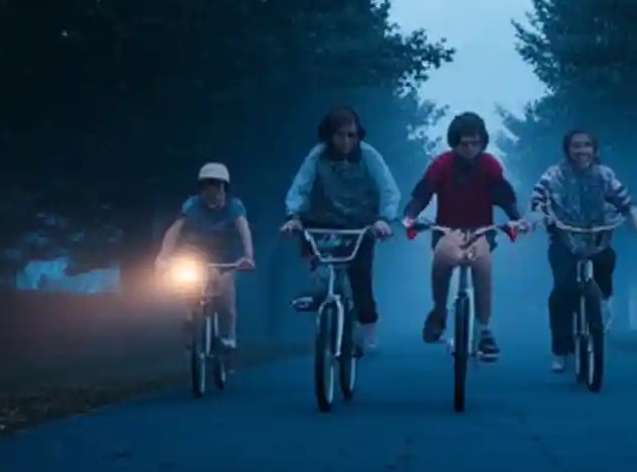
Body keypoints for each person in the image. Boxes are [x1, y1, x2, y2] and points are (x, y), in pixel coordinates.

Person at [401, 111, 529, 362]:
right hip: (447, 230)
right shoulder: (442, 164)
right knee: (441, 261)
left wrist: (517, 219)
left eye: (475, 143)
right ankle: (439, 312)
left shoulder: (489, 165)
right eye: (464, 143)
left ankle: (484, 329)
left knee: (482, 266)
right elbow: (423, 193)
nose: (470, 149)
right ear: (454, 143)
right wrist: (410, 216)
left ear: (482, 143)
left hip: (481, 230)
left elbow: (504, 195)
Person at [280, 106, 400, 352]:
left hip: (360, 226)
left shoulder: (369, 156)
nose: (346, 141)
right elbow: (300, 188)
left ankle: (366, 331)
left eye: (351, 135)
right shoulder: (317, 156)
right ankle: (320, 301)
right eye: (340, 135)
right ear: (329, 135)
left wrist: (384, 219)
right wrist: (293, 216)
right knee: (322, 275)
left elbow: (389, 189)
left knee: (361, 281)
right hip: (324, 224)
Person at [531, 129, 637, 373]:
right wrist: (539, 216)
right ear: (567, 150)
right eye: (576, 146)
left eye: (586, 145)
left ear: (594, 149)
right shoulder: (554, 174)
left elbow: (624, 199)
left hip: (596, 236)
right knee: (562, 290)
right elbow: (538, 199)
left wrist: (634, 216)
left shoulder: (605, 175)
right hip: (564, 237)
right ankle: (560, 350)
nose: (581, 151)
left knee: (608, 259)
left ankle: (603, 301)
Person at [155, 162, 255, 351]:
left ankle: (230, 337)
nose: (211, 192)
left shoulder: (234, 207)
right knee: (187, 283)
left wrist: (248, 256)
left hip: (227, 259)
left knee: (226, 294)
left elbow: (244, 230)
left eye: (216, 186)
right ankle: (189, 320)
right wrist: (163, 256)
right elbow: (174, 231)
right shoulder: (192, 205)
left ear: (224, 188)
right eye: (206, 186)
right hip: (199, 257)